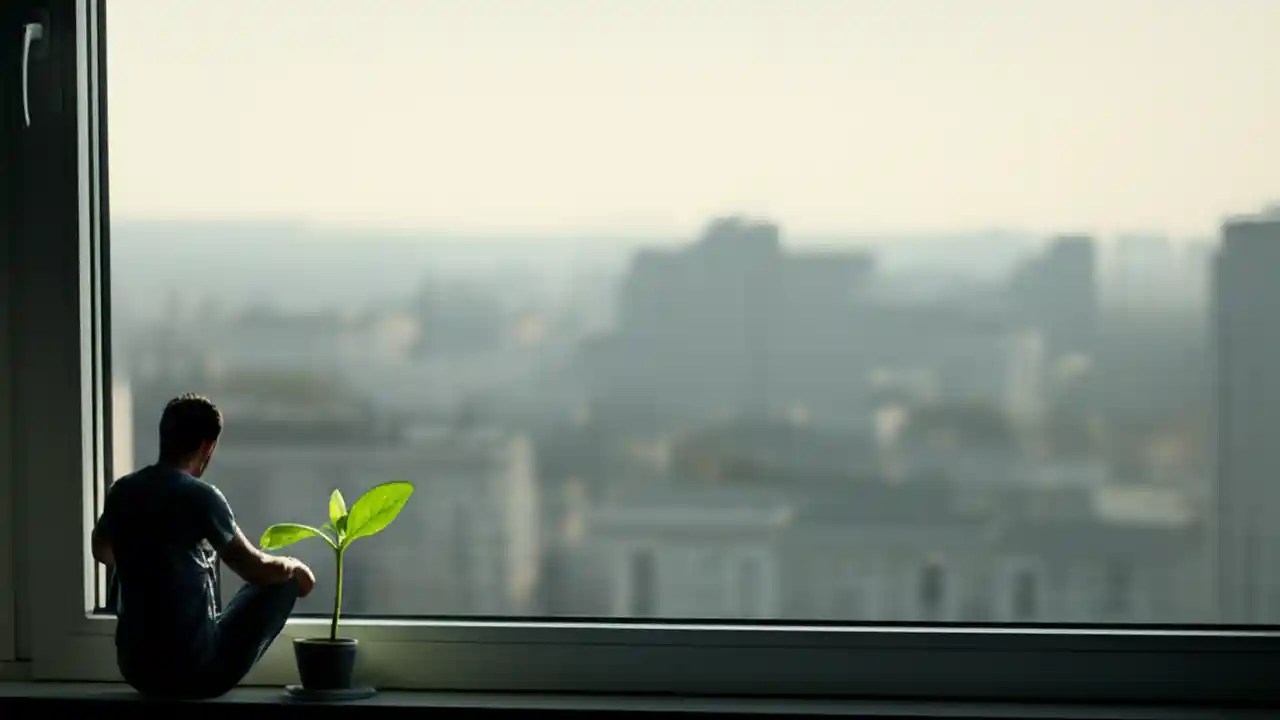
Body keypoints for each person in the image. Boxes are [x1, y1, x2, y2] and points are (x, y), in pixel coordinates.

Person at [91, 393, 317, 698]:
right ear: (207, 447)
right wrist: (294, 567)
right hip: (195, 672)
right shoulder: (200, 497)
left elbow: (101, 550)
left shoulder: (123, 491)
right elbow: (254, 568)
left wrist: (146, 560)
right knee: (281, 581)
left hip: (136, 669)